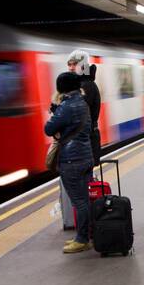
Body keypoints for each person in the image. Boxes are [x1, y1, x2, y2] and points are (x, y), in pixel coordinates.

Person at [46, 71, 95, 254]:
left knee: (79, 202)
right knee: (84, 201)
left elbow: (48, 128)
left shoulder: (66, 106)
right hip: (85, 156)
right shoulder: (83, 103)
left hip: (71, 159)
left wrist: (55, 111)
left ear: (61, 88)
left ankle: (82, 240)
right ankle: (85, 236)